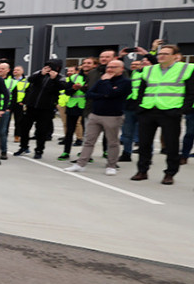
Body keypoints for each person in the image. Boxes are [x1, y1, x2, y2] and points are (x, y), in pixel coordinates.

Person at [130, 44, 194, 185]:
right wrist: (140, 107)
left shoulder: (186, 68)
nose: (161, 56)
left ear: (175, 56)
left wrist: (182, 110)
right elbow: (141, 90)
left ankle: (170, 173)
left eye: (166, 53)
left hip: (170, 111)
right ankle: (142, 171)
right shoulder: (148, 70)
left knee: (172, 145)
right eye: (160, 53)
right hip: (148, 110)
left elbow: (191, 92)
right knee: (144, 144)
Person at [64, 58, 131, 175]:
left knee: (112, 142)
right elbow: (89, 93)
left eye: (113, 67)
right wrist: (105, 93)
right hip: (95, 114)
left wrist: (106, 84)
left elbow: (113, 94)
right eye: (108, 67)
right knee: (88, 141)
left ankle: (111, 165)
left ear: (121, 69)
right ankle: (80, 164)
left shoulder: (124, 82)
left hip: (112, 116)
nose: (109, 69)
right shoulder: (101, 80)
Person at [13, 59, 64, 159]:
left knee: (41, 131)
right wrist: (41, 74)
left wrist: (54, 79)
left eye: (51, 66)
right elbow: (31, 79)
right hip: (31, 106)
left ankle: (39, 150)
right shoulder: (39, 73)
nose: (49, 68)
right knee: (24, 127)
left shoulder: (60, 77)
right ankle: (23, 147)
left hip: (46, 108)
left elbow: (62, 87)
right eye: (47, 66)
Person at [58, 58, 96, 161]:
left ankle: (86, 154)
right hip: (73, 106)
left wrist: (83, 88)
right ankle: (66, 152)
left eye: (89, 63)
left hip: (87, 107)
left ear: (94, 65)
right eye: (84, 63)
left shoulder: (95, 77)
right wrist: (73, 89)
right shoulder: (74, 77)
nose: (86, 65)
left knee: (88, 132)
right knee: (69, 130)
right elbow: (67, 92)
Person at [119, 57, 147, 162]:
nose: (134, 66)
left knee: (145, 133)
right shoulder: (132, 74)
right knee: (127, 133)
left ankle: (146, 156)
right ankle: (126, 154)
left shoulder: (149, 73)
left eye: (137, 64)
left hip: (143, 106)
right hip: (129, 106)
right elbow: (121, 68)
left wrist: (152, 50)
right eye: (133, 64)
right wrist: (121, 57)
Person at [0, 62, 16, 158]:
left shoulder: (12, 82)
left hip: (4, 110)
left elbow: (14, 98)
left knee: (2, 132)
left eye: (3, 69)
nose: (0, 70)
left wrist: (8, 109)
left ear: (8, 70)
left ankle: (3, 151)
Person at [10, 65, 29, 144]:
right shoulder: (10, 80)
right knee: (6, 120)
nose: (15, 71)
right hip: (10, 102)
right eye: (14, 70)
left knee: (19, 121)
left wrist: (24, 101)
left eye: (17, 70)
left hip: (20, 103)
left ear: (22, 72)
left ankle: (17, 136)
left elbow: (28, 92)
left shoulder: (26, 81)